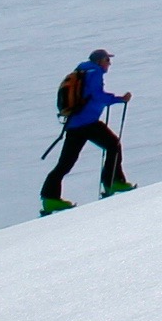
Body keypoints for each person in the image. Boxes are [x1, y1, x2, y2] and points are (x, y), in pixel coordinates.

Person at [42, 49, 135, 209]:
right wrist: (119, 99)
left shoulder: (82, 71)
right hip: (87, 122)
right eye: (107, 60)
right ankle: (113, 181)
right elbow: (96, 96)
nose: (109, 63)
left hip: (75, 124)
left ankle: (49, 198)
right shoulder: (94, 72)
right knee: (113, 145)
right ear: (99, 61)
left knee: (65, 163)